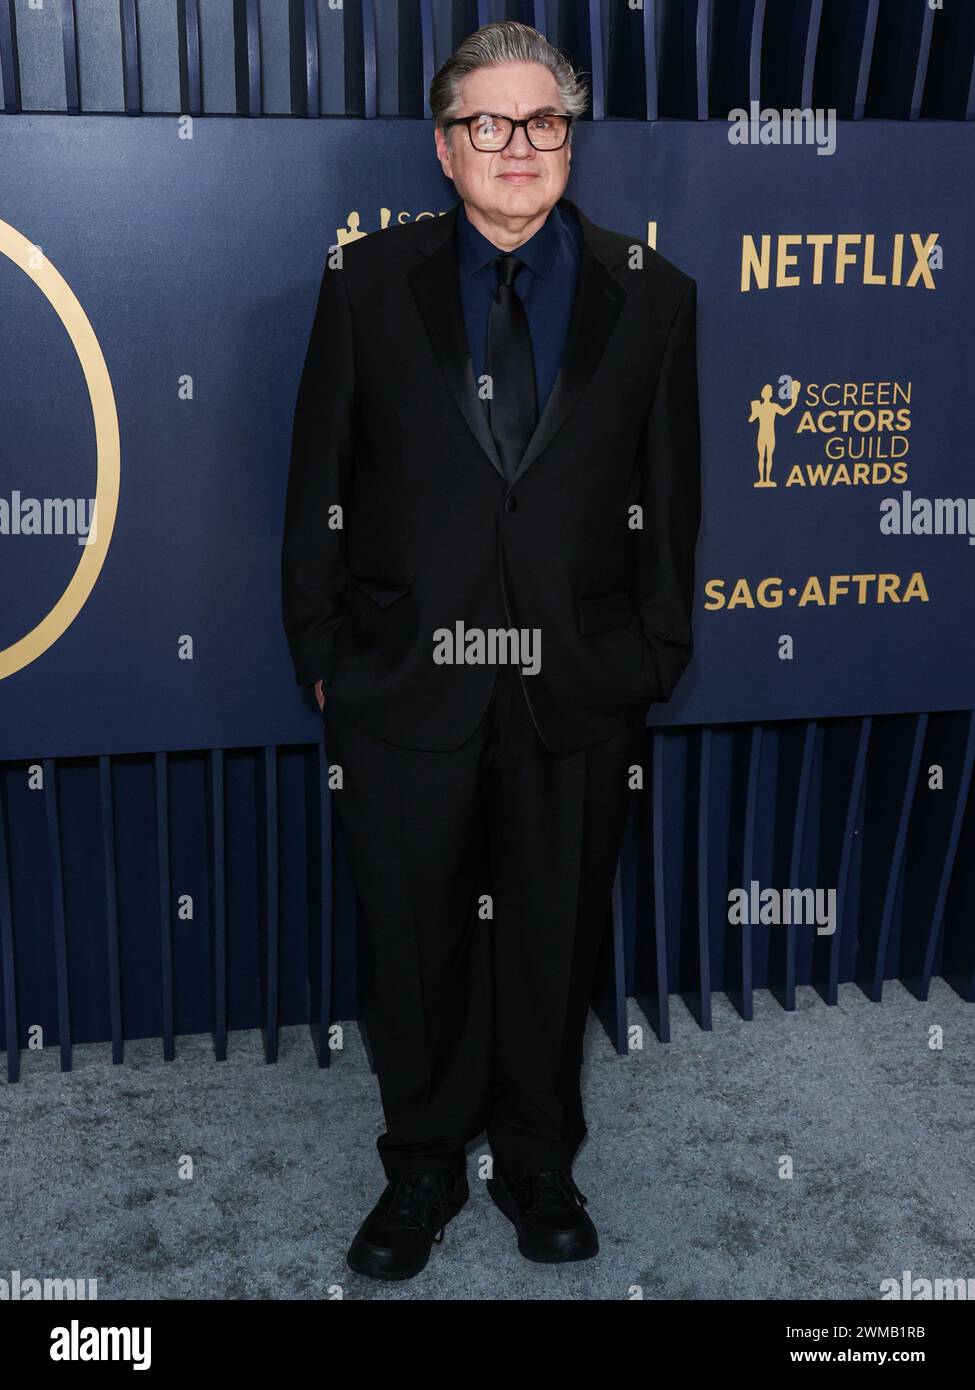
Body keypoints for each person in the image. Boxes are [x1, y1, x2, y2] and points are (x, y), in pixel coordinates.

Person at [281, 19, 700, 1280]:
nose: (519, 148)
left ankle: (536, 1160)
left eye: (545, 122)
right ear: (444, 143)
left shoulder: (654, 294)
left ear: (570, 133)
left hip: (580, 691)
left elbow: (673, 501)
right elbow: (317, 486)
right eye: (489, 124)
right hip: (404, 689)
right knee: (412, 940)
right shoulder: (365, 283)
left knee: (553, 935)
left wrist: (654, 653)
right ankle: (419, 1170)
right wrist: (325, 654)